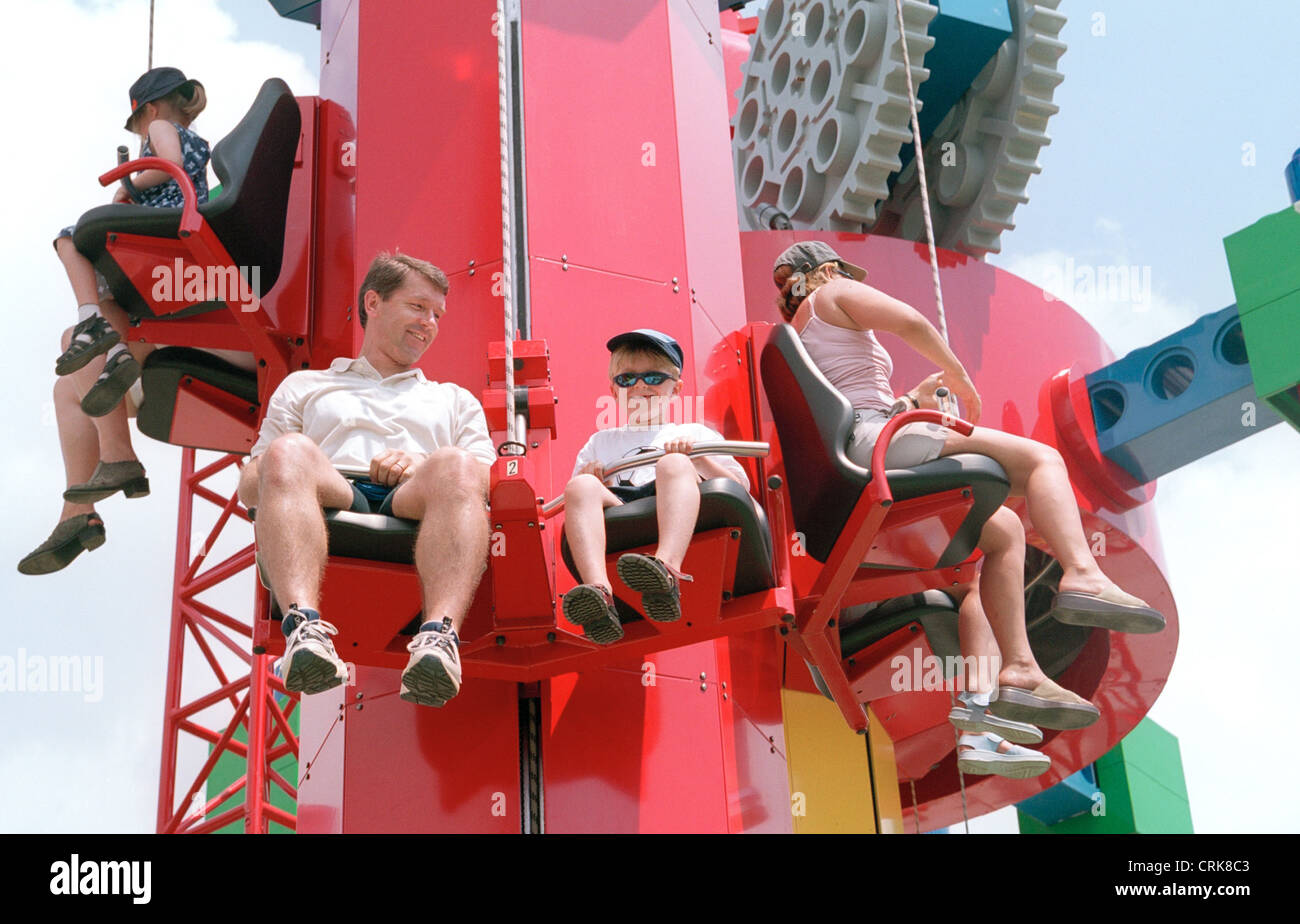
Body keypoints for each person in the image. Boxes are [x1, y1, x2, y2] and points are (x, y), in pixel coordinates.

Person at [772, 241, 1166, 731]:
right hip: (877, 443)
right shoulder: (833, 294)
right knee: (1043, 459)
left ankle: (1020, 669)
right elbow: (911, 321)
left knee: (1003, 532)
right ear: (826, 270)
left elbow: (847, 408)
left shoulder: (801, 336)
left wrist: (908, 401)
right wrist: (959, 378)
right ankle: (1083, 574)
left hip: (866, 443)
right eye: (845, 273)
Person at [238, 252, 495, 707]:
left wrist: (420, 463)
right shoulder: (305, 386)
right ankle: (304, 628)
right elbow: (249, 487)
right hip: (335, 492)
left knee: (457, 463)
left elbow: (486, 480)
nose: (429, 323)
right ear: (373, 303)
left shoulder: (454, 400)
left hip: (415, 499)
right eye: (418, 307)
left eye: (436, 314)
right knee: (287, 450)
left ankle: (438, 637)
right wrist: (290, 465)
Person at [18, 67, 211, 575]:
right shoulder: (192, 139)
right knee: (67, 385)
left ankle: (93, 327)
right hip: (168, 249)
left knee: (71, 238)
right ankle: (80, 511)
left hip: (171, 243)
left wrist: (130, 179)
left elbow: (164, 166)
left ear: (148, 110)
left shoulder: (162, 132)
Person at [562, 330, 751, 643]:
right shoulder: (601, 442)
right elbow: (580, 501)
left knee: (672, 464)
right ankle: (598, 594)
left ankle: (665, 569)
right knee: (580, 485)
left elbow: (739, 490)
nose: (639, 386)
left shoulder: (694, 432)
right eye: (627, 379)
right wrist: (593, 477)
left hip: (676, 495)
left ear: (675, 388)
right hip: (623, 504)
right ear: (613, 389)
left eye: (652, 378)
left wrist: (699, 460)